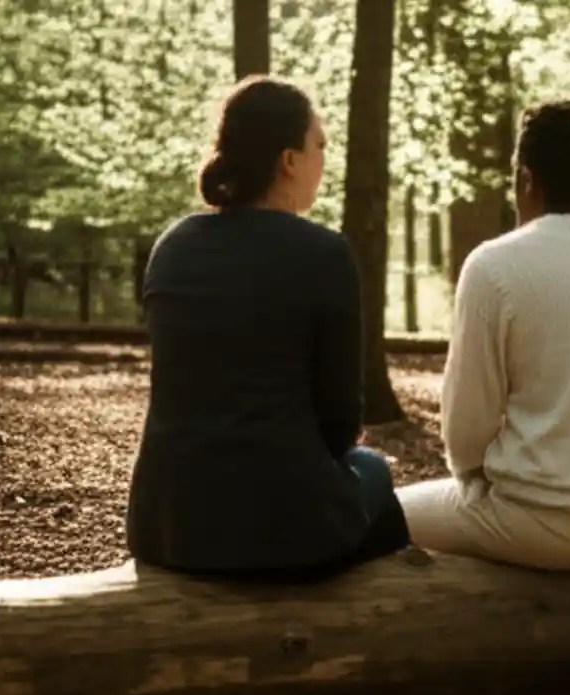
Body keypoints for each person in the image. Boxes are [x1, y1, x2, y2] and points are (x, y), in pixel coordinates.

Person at [125, 76, 409, 578]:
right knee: (374, 472)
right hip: (283, 532)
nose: (324, 160)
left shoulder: (173, 247)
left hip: (167, 524)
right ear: (288, 160)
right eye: (319, 145)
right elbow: (340, 422)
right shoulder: (324, 254)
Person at [396, 100, 570, 570]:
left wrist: (478, 479)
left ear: (526, 179)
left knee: (380, 513)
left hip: (537, 525)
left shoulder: (493, 266)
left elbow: (466, 432)